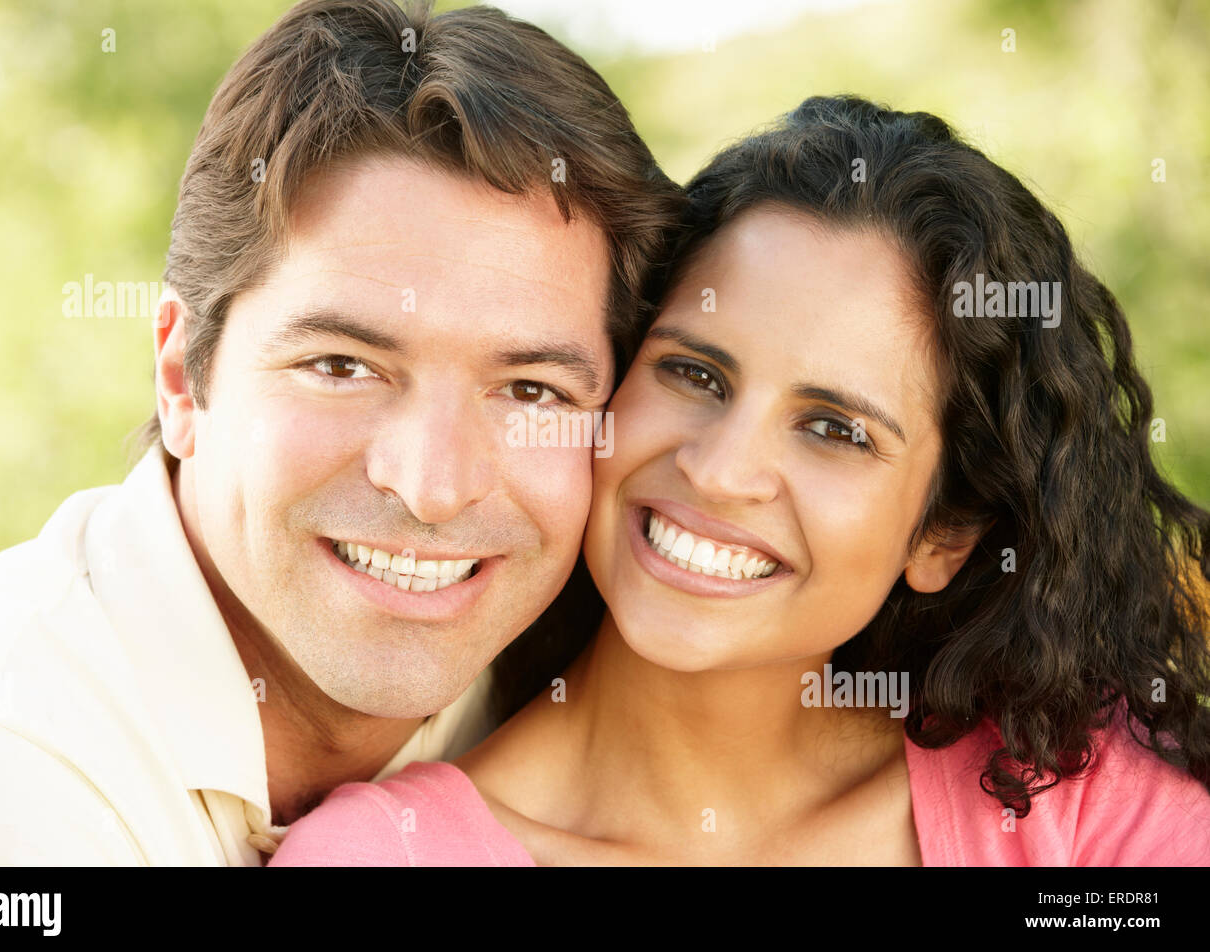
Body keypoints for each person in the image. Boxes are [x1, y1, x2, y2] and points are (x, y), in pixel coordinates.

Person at [270, 95, 1210, 866]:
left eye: (835, 429)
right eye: (695, 375)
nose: (718, 471)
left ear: (945, 533)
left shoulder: (1083, 809)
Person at [0, 0, 683, 864]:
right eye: (342, 367)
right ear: (181, 377)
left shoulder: (570, 691)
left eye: (531, 390)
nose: (432, 486)